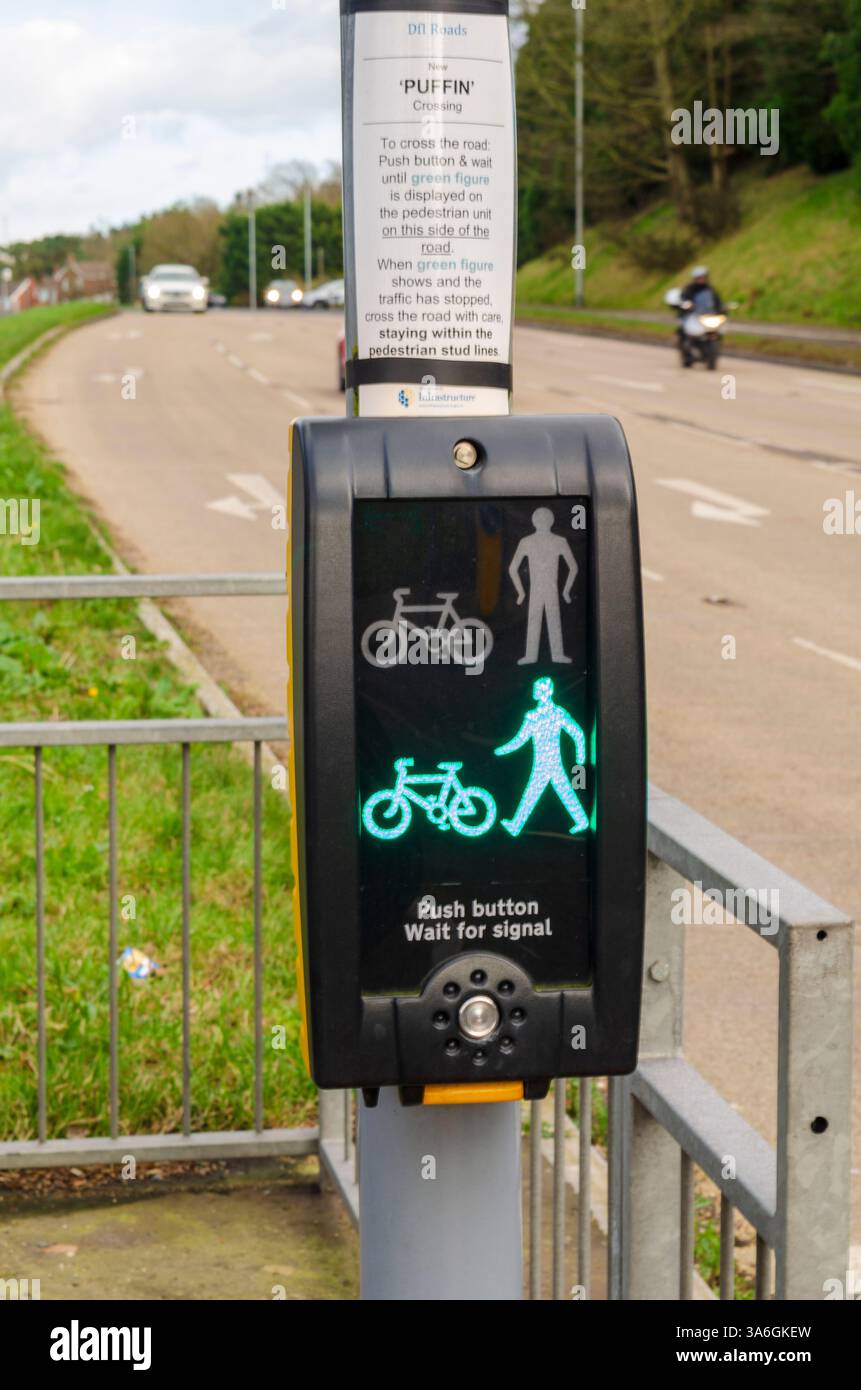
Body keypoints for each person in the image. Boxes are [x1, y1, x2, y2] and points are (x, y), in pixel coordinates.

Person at [495, 677, 589, 837]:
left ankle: (516, 826)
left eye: (539, 689)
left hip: (550, 763)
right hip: (543, 763)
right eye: (535, 689)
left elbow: (577, 733)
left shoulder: (557, 713)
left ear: (548, 691)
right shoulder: (532, 716)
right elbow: (520, 739)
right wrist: (503, 750)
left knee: (537, 793)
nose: (535, 691)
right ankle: (581, 820)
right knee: (559, 791)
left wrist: (580, 757)